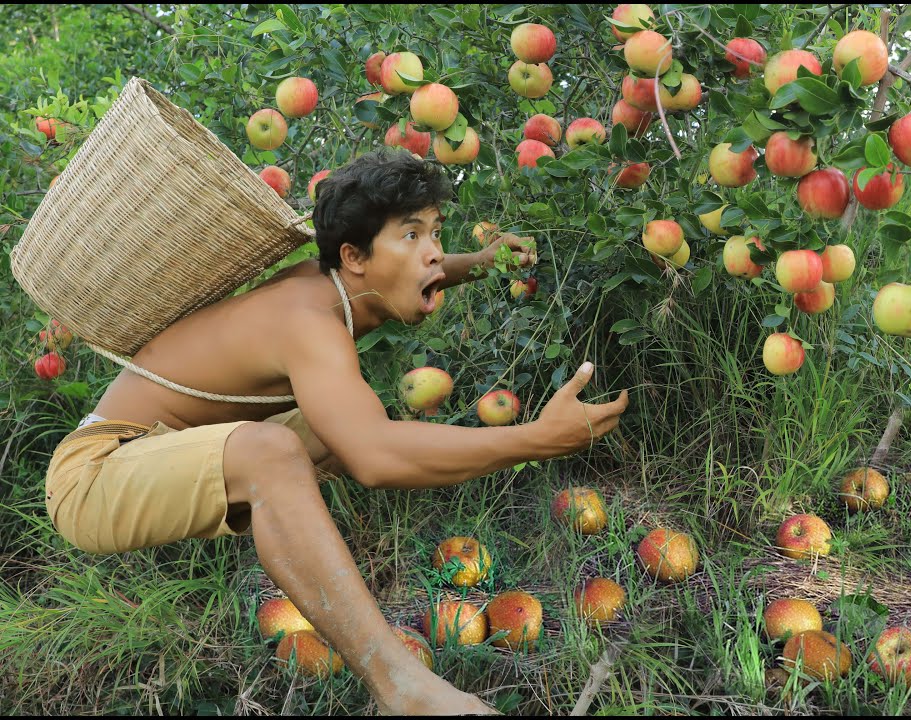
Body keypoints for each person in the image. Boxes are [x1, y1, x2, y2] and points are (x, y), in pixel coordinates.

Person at [42, 148, 629, 715]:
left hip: (150, 460)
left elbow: (400, 283)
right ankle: (403, 689)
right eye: (411, 235)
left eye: (435, 232)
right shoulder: (308, 319)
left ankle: (324, 574)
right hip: (94, 476)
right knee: (280, 449)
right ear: (353, 257)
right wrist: (538, 438)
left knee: (343, 421)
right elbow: (375, 459)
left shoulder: (326, 283)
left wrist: (478, 264)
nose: (433, 252)